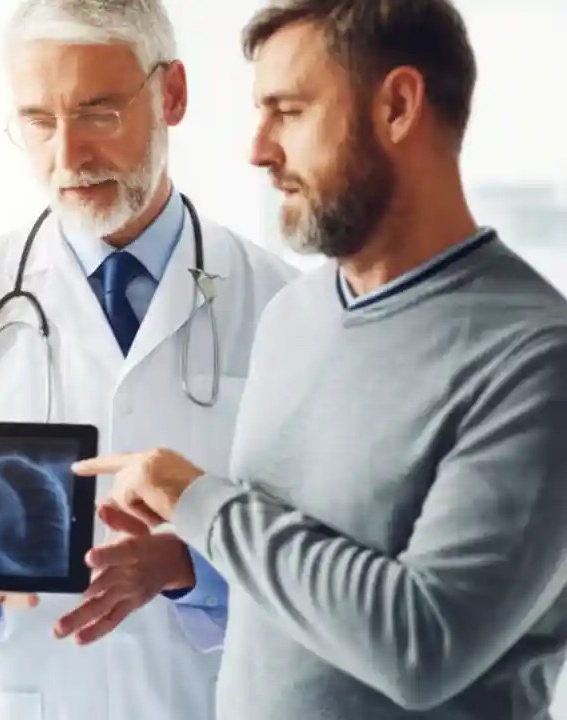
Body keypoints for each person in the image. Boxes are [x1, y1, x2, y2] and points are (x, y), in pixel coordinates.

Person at [73, 1, 567, 718]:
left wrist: (200, 500)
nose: (258, 149)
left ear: (397, 106)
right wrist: (188, 557)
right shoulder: (291, 318)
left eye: (289, 111)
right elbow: (302, 579)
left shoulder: (535, 359)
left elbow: (422, 644)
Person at [0, 1, 296, 718]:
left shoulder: (279, 304)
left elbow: (322, 558)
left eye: (98, 113)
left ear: (172, 95)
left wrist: (195, 570)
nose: (67, 156)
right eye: (39, 122)